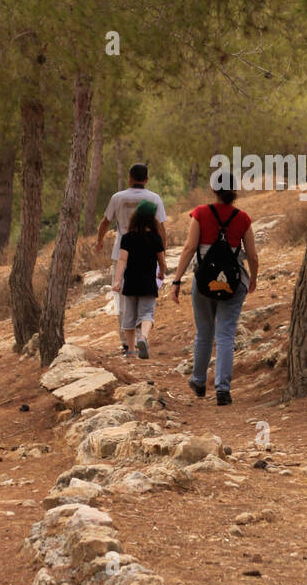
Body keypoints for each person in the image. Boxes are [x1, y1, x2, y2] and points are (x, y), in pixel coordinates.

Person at [171, 176, 258, 405]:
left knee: (204, 332)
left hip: (203, 282)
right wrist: (253, 279)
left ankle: (199, 381)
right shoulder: (243, 218)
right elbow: (253, 255)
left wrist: (177, 280)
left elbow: (190, 247)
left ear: (212, 189)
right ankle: (222, 390)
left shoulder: (200, 213)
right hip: (233, 283)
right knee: (226, 334)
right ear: (234, 191)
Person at [97, 164, 168, 354]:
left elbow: (105, 222)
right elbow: (161, 228)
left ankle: (126, 343)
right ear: (146, 179)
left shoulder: (117, 198)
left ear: (129, 178)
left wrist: (100, 240)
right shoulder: (154, 198)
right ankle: (141, 338)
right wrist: (163, 253)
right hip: (148, 254)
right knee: (146, 295)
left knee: (123, 297)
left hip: (122, 250)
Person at [112, 200, 165, 359]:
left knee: (129, 316)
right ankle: (143, 337)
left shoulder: (127, 237)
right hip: (148, 282)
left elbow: (122, 260)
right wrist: (161, 273)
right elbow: (161, 260)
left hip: (131, 283)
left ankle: (130, 351)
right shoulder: (155, 237)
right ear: (152, 219)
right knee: (147, 313)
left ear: (135, 217)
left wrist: (117, 280)